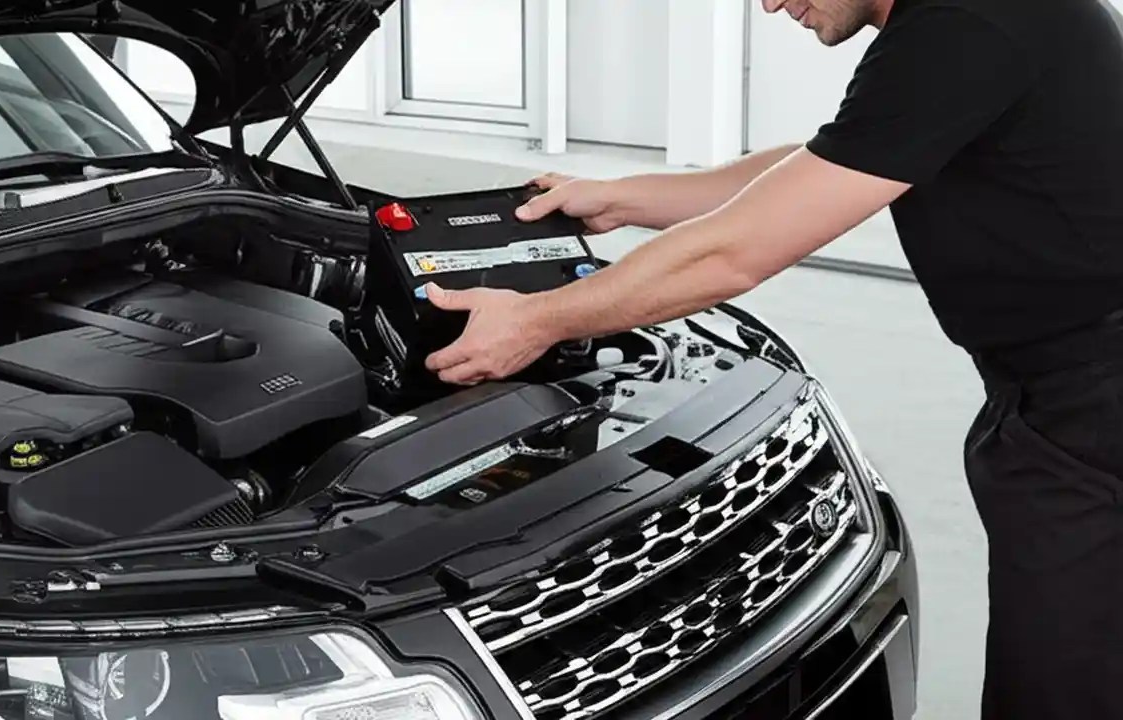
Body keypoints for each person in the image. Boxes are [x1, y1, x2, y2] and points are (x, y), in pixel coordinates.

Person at [420, 0, 1123, 718]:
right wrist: (625, 198)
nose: (769, 2)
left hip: (1092, 405)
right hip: (1073, 386)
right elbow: (829, 160)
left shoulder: (968, 24)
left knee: (1060, 688)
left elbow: (736, 252)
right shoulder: (972, 21)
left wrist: (538, 320)